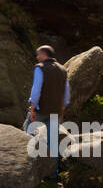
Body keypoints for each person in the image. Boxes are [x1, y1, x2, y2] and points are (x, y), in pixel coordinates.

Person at [26, 46, 70, 179]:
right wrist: (62, 110)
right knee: (53, 142)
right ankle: (53, 173)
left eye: (38, 55)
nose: (37, 57)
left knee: (27, 135)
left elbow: (36, 90)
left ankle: (28, 168)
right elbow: (67, 94)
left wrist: (32, 108)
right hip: (56, 110)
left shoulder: (40, 68)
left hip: (41, 109)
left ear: (43, 55)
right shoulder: (63, 70)